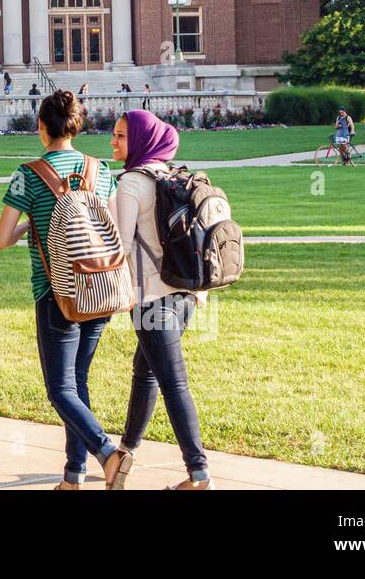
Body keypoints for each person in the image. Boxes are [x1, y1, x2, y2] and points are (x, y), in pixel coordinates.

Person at [0, 89, 126, 490]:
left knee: (59, 389)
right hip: (100, 287)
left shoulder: (28, 173)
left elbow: (1, 239)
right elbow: (113, 223)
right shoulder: (99, 169)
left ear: (41, 128)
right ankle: (73, 476)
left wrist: (27, 226)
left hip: (57, 292)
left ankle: (108, 454)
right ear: (75, 126)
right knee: (78, 381)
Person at [109, 110, 213, 490]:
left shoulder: (132, 184)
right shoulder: (171, 175)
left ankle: (199, 474)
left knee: (174, 384)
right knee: (145, 372)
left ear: (138, 141)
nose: (113, 142)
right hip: (186, 295)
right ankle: (125, 452)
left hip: (152, 301)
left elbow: (117, 248)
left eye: (120, 136)